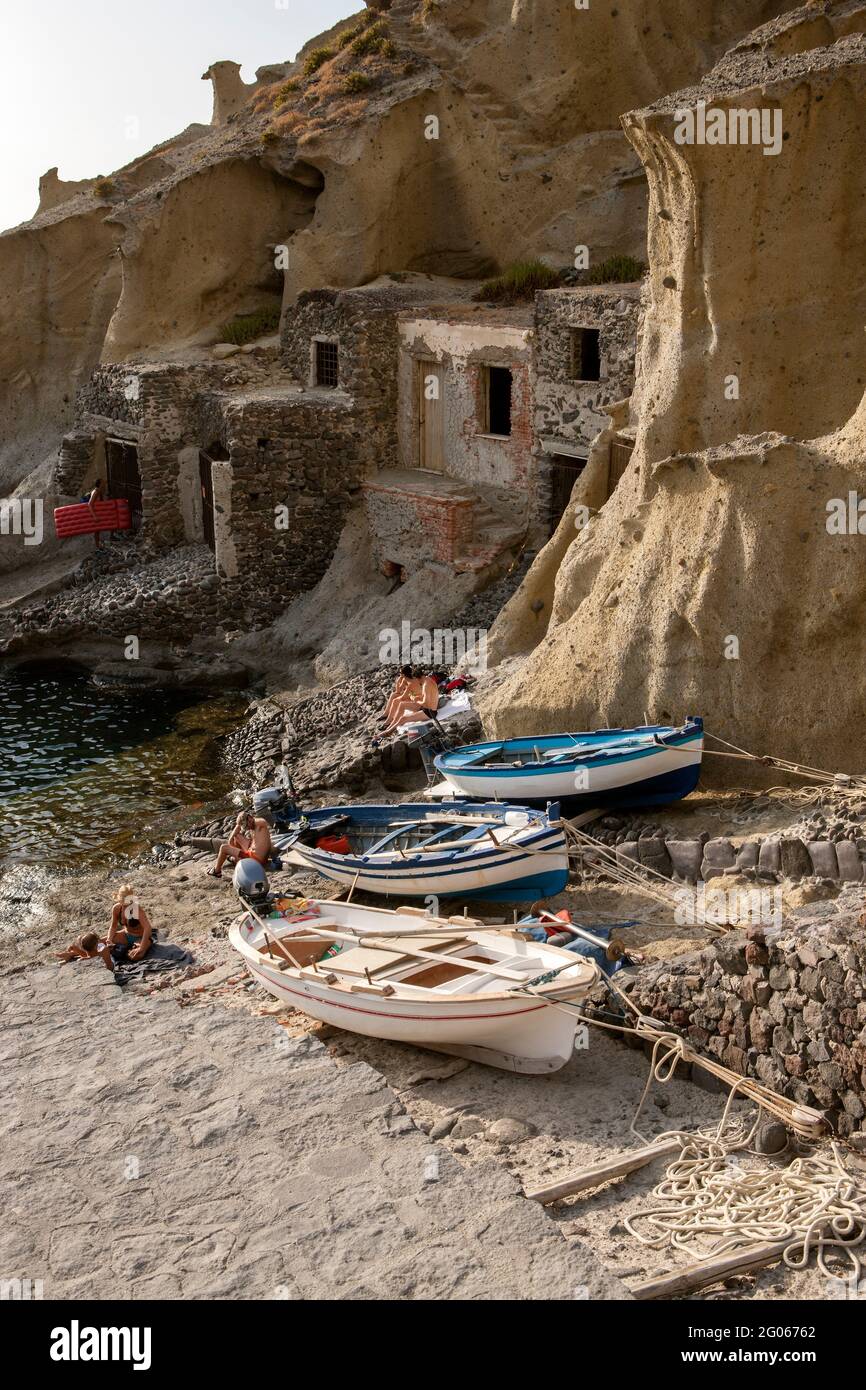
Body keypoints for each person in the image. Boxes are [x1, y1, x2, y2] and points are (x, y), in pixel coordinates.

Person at [377, 668, 441, 740]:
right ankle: (389, 730)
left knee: (404, 719)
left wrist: (416, 700)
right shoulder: (428, 679)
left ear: (418, 677)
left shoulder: (425, 685)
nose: (417, 682)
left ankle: (388, 732)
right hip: (429, 709)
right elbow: (428, 698)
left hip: (430, 712)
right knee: (403, 718)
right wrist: (418, 698)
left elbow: (425, 704)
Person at [208, 811, 274, 879]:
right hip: (252, 853)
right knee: (237, 836)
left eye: (247, 826)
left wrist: (249, 820)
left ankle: (216, 871)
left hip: (255, 860)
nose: (247, 828)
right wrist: (230, 839)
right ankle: (236, 859)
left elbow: (263, 821)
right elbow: (238, 827)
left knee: (223, 847)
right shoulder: (252, 824)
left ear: (250, 818)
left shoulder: (260, 823)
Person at [106, 886, 154, 963]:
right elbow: (113, 926)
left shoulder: (137, 909)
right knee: (101, 943)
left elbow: (147, 928)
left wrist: (141, 947)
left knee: (135, 956)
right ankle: (123, 949)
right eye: (124, 904)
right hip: (126, 934)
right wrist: (109, 939)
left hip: (140, 937)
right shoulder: (116, 908)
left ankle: (123, 950)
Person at [87, 479, 105, 548]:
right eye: (103, 483)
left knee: (97, 530)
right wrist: (94, 516)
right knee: (96, 530)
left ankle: (98, 545)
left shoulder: (99, 491)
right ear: (100, 484)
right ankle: (97, 546)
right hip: (94, 513)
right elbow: (90, 504)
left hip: (97, 513)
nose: (104, 484)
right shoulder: (96, 492)